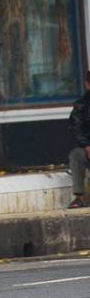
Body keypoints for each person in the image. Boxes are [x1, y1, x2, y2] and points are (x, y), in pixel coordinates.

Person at [67, 71, 90, 208]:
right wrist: (87, 146)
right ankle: (80, 197)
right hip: (88, 148)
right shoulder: (81, 105)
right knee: (76, 155)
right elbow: (76, 129)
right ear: (87, 85)